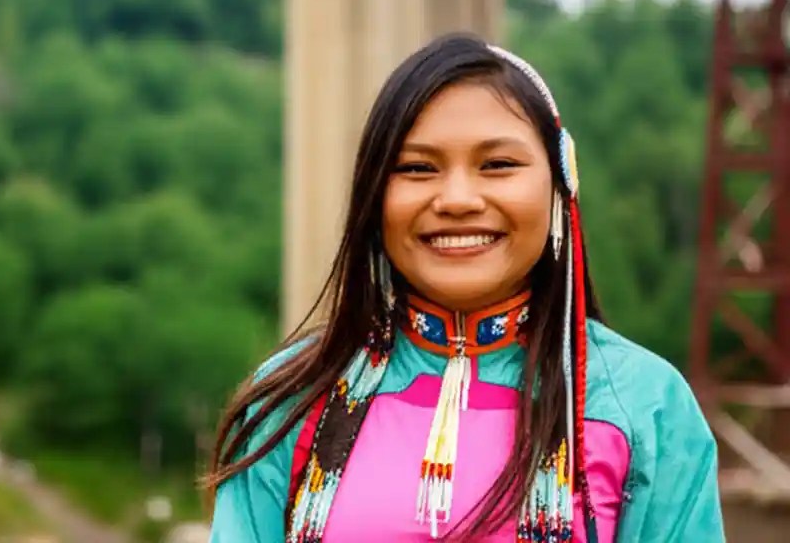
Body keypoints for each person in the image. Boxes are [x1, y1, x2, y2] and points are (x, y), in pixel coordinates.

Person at [204, 34, 725, 542]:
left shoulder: (644, 405)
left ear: (561, 183)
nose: (456, 199)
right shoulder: (292, 401)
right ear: (373, 194)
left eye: (498, 165)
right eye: (416, 168)